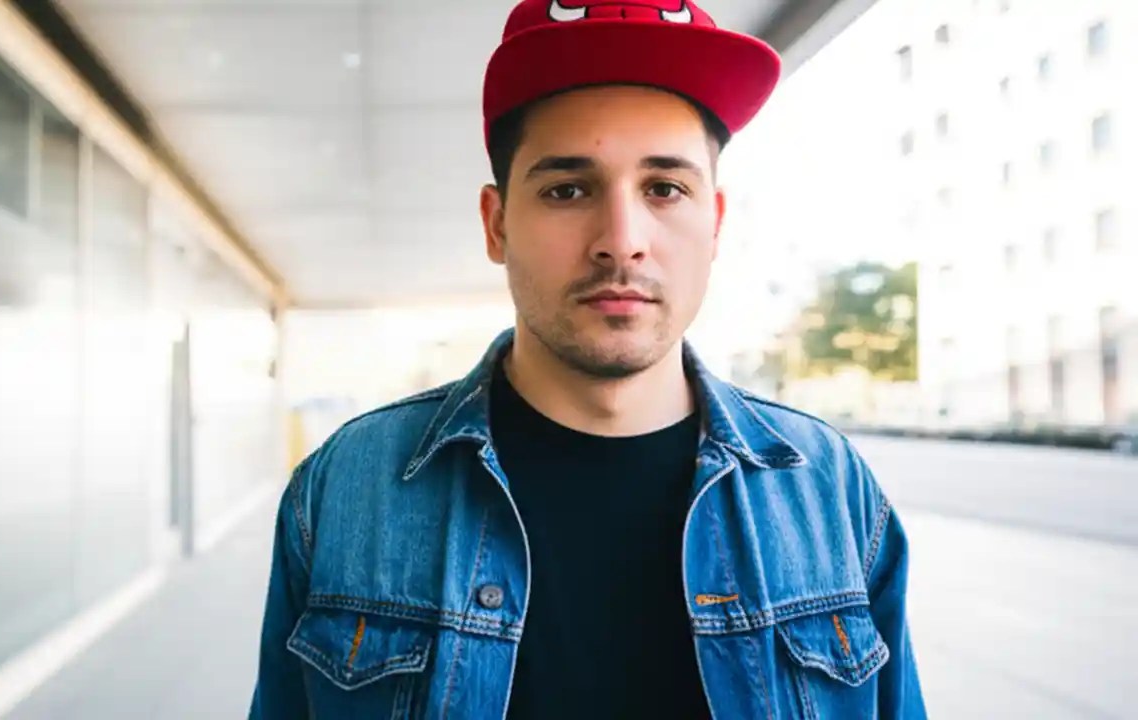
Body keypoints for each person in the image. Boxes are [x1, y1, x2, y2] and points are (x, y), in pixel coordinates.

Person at [250, 0, 927, 717]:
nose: (621, 239)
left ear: (716, 223)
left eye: (664, 188)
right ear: (497, 223)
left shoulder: (826, 488)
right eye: (567, 189)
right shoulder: (351, 487)